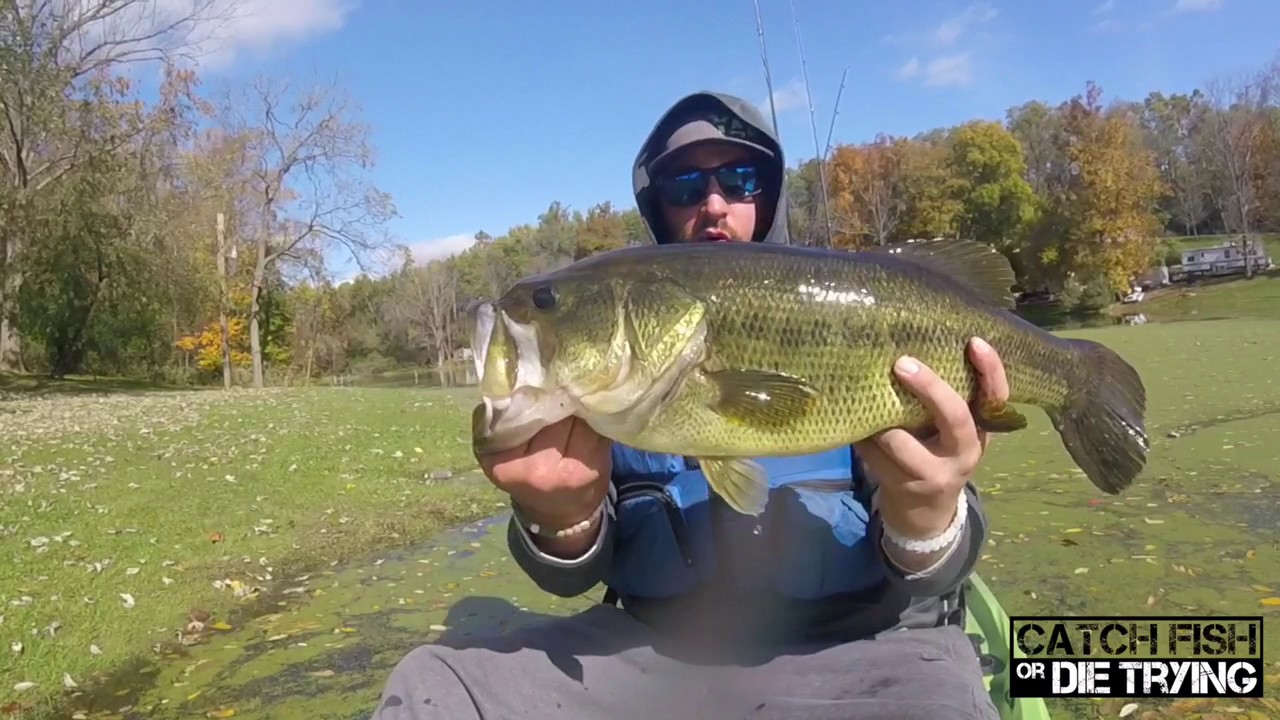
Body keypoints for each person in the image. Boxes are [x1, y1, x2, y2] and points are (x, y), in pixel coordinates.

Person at [371, 91, 1008, 720]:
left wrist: (926, 514)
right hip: (652, 665)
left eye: (741, 178)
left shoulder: (854, 316)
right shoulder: (595, 392)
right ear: (657, 206)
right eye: (683, 184)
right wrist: (559, 519)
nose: (713, 203)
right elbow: (566, 575)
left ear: (771, 193)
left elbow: (935, 570)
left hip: (860, 655)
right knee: (436, 685)